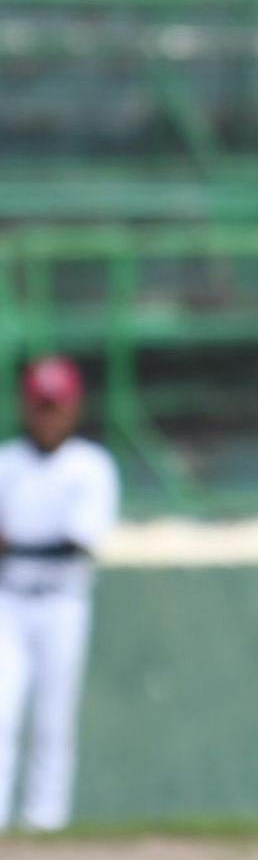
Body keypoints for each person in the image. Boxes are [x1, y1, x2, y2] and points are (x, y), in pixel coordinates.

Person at [0, 357, 119, 833]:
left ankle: (45, 822)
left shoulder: (90, 465)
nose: (48, 416)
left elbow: (80, 541)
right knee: (2, 710)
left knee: (54, 717)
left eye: (56, 406)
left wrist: (17, 545)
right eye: (40, 405)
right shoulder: (7, 461)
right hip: (8, 601)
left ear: (74, 408)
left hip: (62, 601)